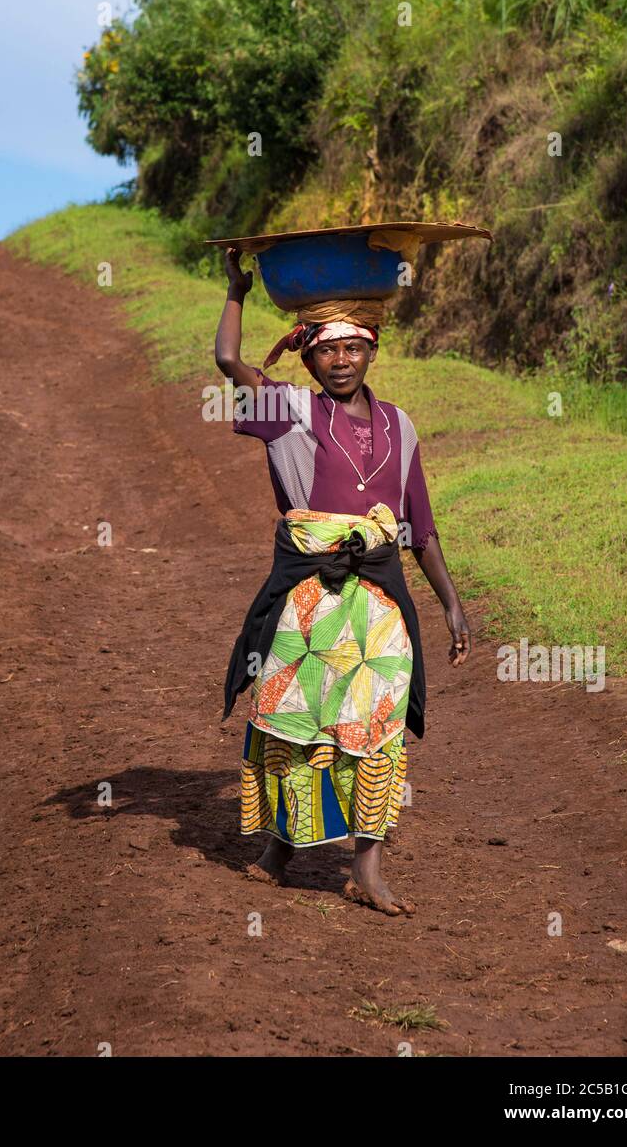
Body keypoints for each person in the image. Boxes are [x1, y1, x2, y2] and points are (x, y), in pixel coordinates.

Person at [215, 247, 471, 917]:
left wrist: (449, 604)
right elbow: (226, 364)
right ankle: (279, 850)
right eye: (326, 352)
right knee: (296, 728)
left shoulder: (399, 426)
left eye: (353, 350)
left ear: (371, 352)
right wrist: (238, 292)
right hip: (309, 599)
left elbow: (419, 525)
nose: (340, 362)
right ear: (307, 359)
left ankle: (366, 869)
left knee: (373, 733)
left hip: (379, 604)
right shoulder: (292, 413)